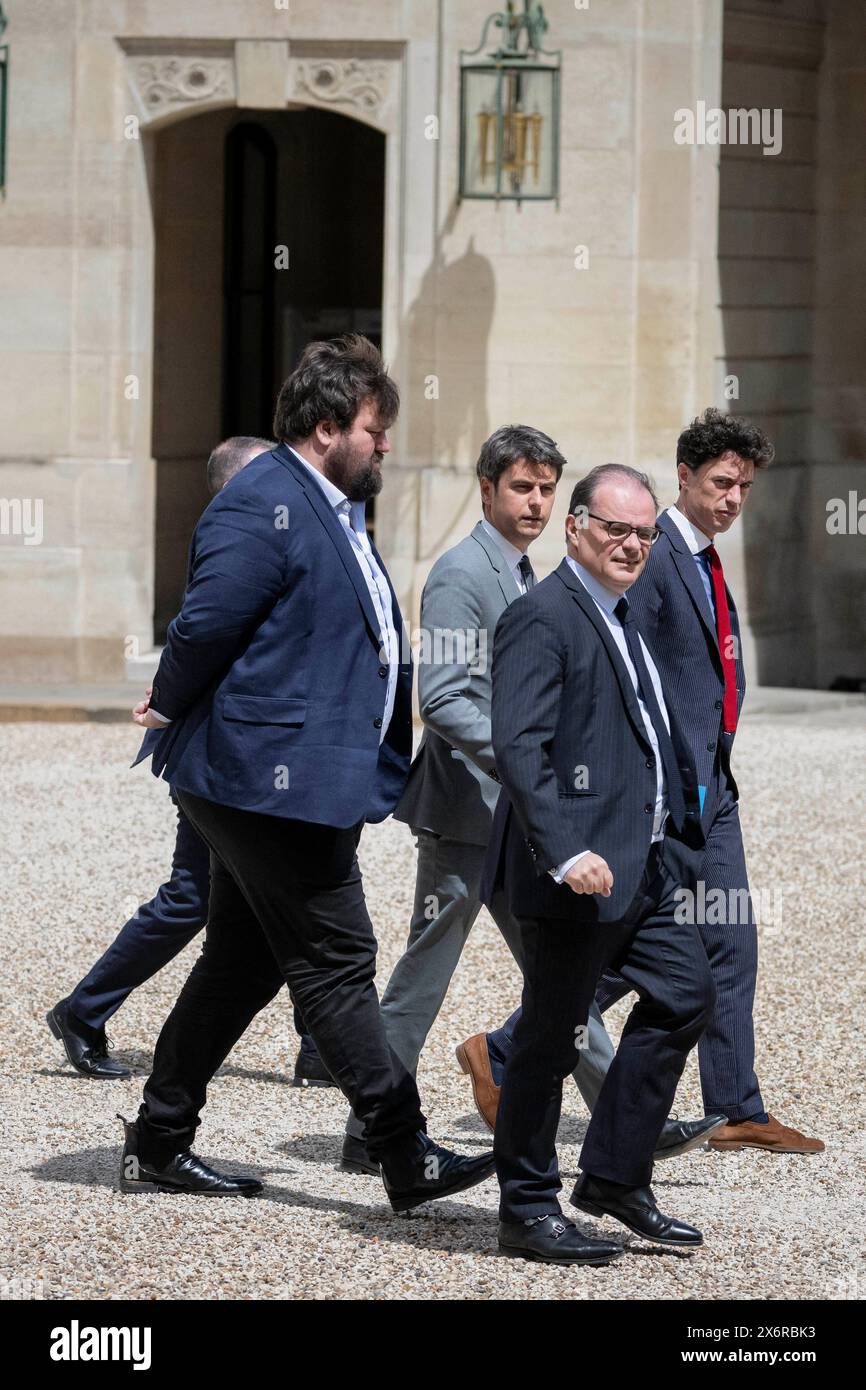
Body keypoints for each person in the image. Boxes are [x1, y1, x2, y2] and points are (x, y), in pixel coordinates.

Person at [118, 335, 494, 1213]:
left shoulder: (325, 501)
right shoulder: (263, 501)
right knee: (337, 955)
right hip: (258, 778)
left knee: (245, 962)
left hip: (292, 776)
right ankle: (403, 1152)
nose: (386, 445)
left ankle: (161, 1140)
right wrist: (169, 701)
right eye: (375, 428)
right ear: (328, 428)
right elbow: (206, 622)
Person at [474, 410, 824, 1156]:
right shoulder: (652, 556)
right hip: (664, 798)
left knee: (724, 943)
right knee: (632, 954)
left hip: (708, 790)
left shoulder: (699, 559)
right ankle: (506, 1053)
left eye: (745, 487)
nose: (734, 499)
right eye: (722, 482)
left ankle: (735, 1104)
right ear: (686, 477)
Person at [485, 464, 721, 1265]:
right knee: (548, 1044)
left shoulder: (622, 616)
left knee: (687, 997)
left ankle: (615, 1176)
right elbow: (519, 746)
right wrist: (566, 850)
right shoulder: (542, 616)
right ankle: (526, 1208)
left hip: (644, 865)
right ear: (574, 527)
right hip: (577, 874)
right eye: (615, 528)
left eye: (644, 532)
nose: (630, 544)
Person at [45, 436, 330, 1090]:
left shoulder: (268, 540)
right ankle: (83, 1011)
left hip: (251, 756)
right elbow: (201, 636)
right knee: (212, 894)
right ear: (238, 488)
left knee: (262, 892)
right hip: (219, 758)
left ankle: (318, 1045)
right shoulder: (238, 541)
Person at [341, 424, 569, 1172]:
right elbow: (440, 698)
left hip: (510, 811)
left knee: (557, 965)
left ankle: (629, 1113)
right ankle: (372, 1126)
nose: (535, 502)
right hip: (467, 812)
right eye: (522, 487)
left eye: (545, 489)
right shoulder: (460, 573)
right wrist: (525, 761)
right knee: (425, 973)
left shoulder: (523, 571)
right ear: (487, 489)